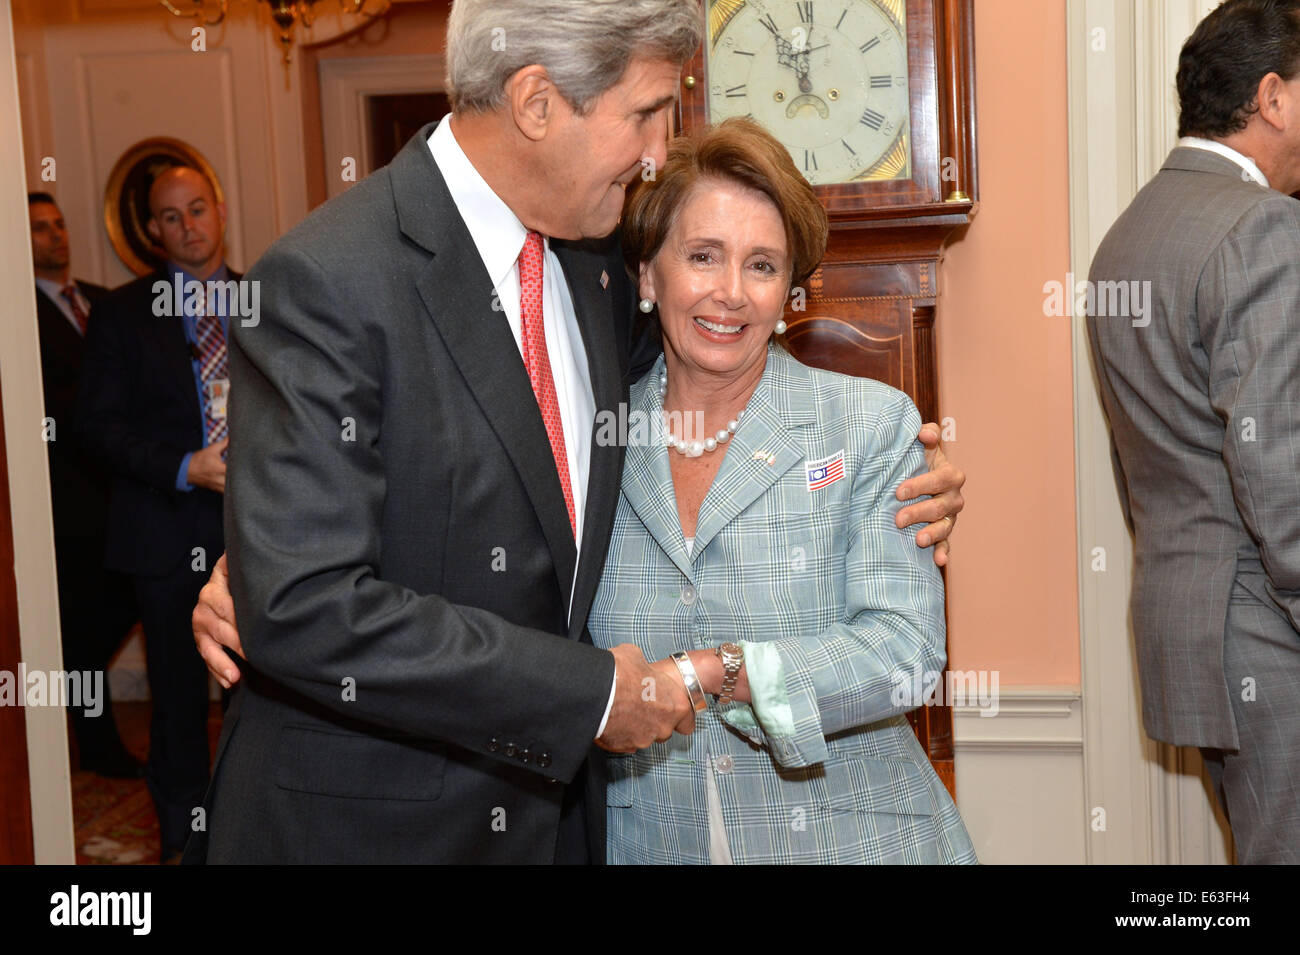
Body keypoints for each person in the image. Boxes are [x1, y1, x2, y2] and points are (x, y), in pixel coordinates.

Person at [187, 0, 968, 865]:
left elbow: (688, 385)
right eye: (643, 114)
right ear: (536, 101)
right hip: (382, 829)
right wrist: (266, 567)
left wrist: (911, 466)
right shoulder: (328, 277)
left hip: (560, 826)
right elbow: (307, 601)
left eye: (761, 266)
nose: (655, 151)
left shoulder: (590, 264)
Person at [584, 117, 976, 864]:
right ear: (646, 275)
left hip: (855, 841)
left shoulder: (867, 425)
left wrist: (715, 672)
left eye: (762, 266)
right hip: (652, 841)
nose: (730, 294)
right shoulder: (592, 443)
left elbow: (908, 654)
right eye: (703, 256)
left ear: (791, 291)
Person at [1087, 0, 1300, 863]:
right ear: (1274, 97)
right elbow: (1279, 472)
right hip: (1267, 635)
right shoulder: (1264, 229)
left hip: (1193, 632)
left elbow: (1146, 459)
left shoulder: (1121, 240)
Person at [77, 166, 236, 862]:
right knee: (175, 699)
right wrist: (186, 465)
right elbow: (95, 427)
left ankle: (245, 830)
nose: (188, 226)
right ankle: (183, 841)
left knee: (253, 694)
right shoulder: (120, 311)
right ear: (152, 231)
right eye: (171, 217)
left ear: (219, 209)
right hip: (163, 531)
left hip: (254, 530)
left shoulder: (273, 295)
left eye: (197, 209)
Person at [29, 191, 141, 779]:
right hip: (69, 501)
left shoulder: (103, 302)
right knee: (82, 626)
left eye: (59, 224)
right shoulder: (18, 316)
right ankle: (96, 748)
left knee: (122, 607)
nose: (55, 235)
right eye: (40, 229)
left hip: (127, 493)